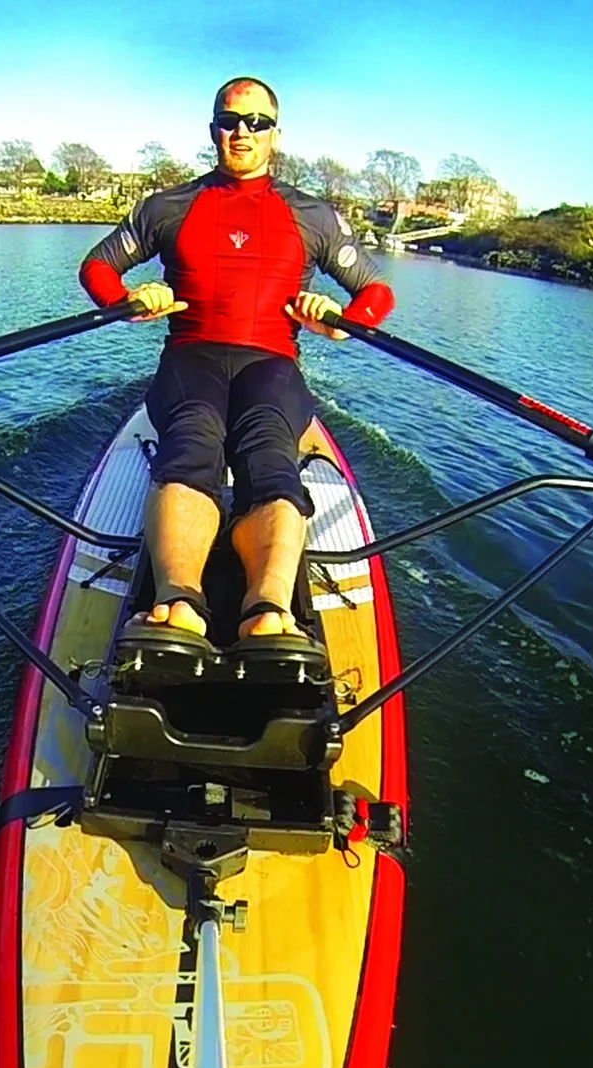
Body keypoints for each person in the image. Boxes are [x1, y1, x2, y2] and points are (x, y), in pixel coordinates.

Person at [79, 76, 394, 652]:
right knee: (193, 440)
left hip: (270, 364)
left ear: (276, 135)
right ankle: (177, 602)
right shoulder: (166, 207)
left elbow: (375, 294)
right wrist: (124, 301)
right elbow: (97, 268)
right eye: (230, 120)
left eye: (257, 122)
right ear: (212, 130)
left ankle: (270, 610)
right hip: (190, 359)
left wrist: (342, 321)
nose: (242, 131)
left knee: (271, 454)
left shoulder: (313, 215)